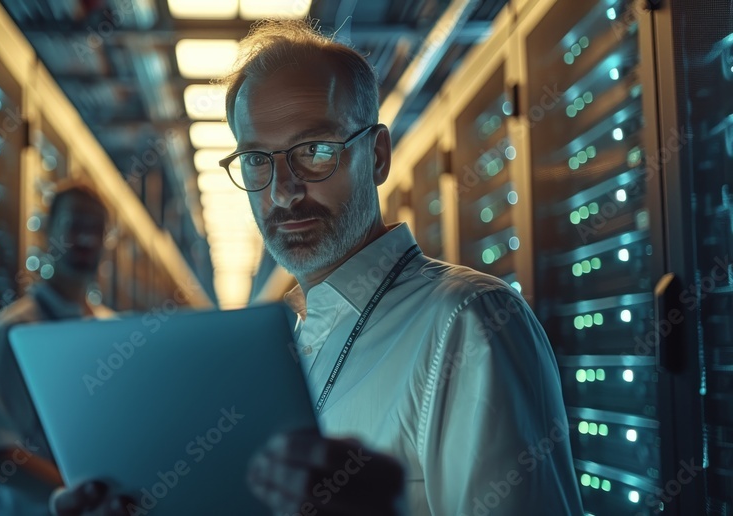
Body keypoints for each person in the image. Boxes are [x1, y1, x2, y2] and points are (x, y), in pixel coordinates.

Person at [54, 19, 583, 516]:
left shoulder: (470, 322)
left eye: (314, 150)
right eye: (258, 160)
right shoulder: (291, 344)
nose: (284, 190)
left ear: (376, 155)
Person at [0, 180, 112, 515]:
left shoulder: (112, 327)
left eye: (96, 228)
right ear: (48, 233)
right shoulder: (15, 328)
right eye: (75, 225)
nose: (87, 238)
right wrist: (85, 493)